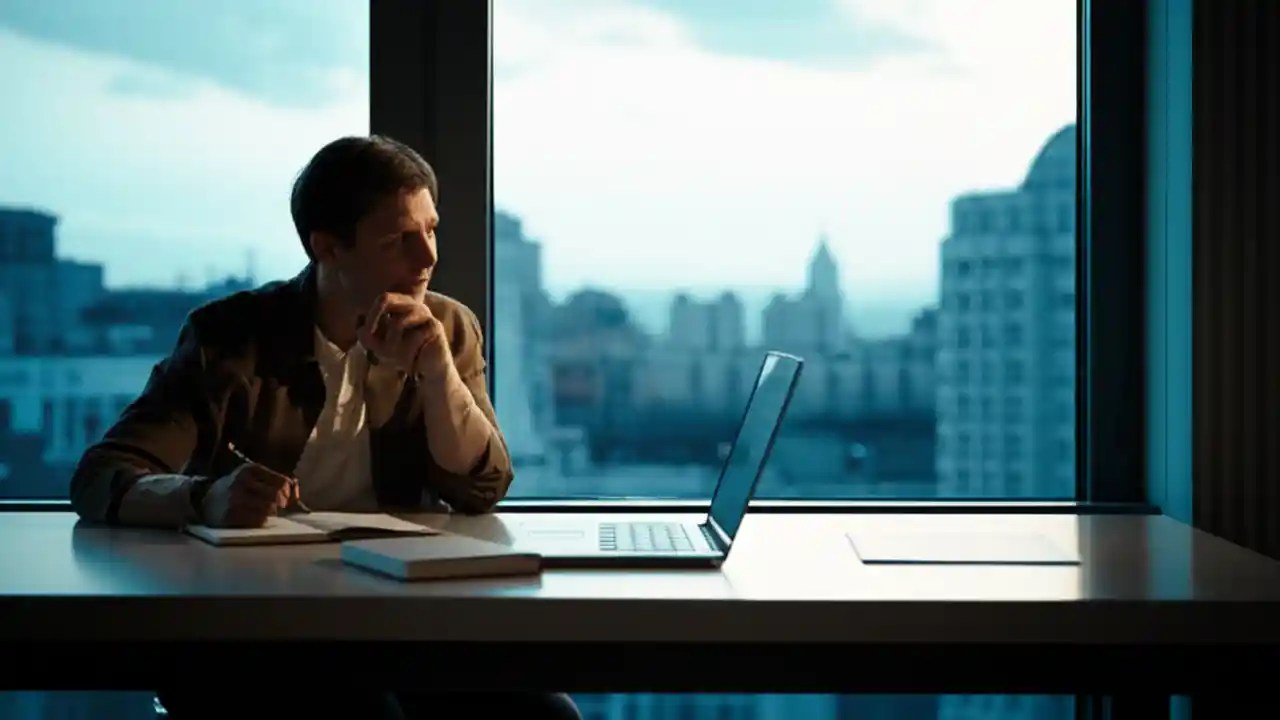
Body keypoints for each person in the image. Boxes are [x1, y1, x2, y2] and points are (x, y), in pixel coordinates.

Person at [69, 135, 581, 720]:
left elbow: (483, 487)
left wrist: (439, 375)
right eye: (397, 240)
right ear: (329, 248)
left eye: (431, 229)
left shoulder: (447, 326)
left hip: (399, 615)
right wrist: (204, 497)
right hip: (259, 626)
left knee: (546, 716)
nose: (427, 258)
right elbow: (102, 475)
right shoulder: (229, 337)